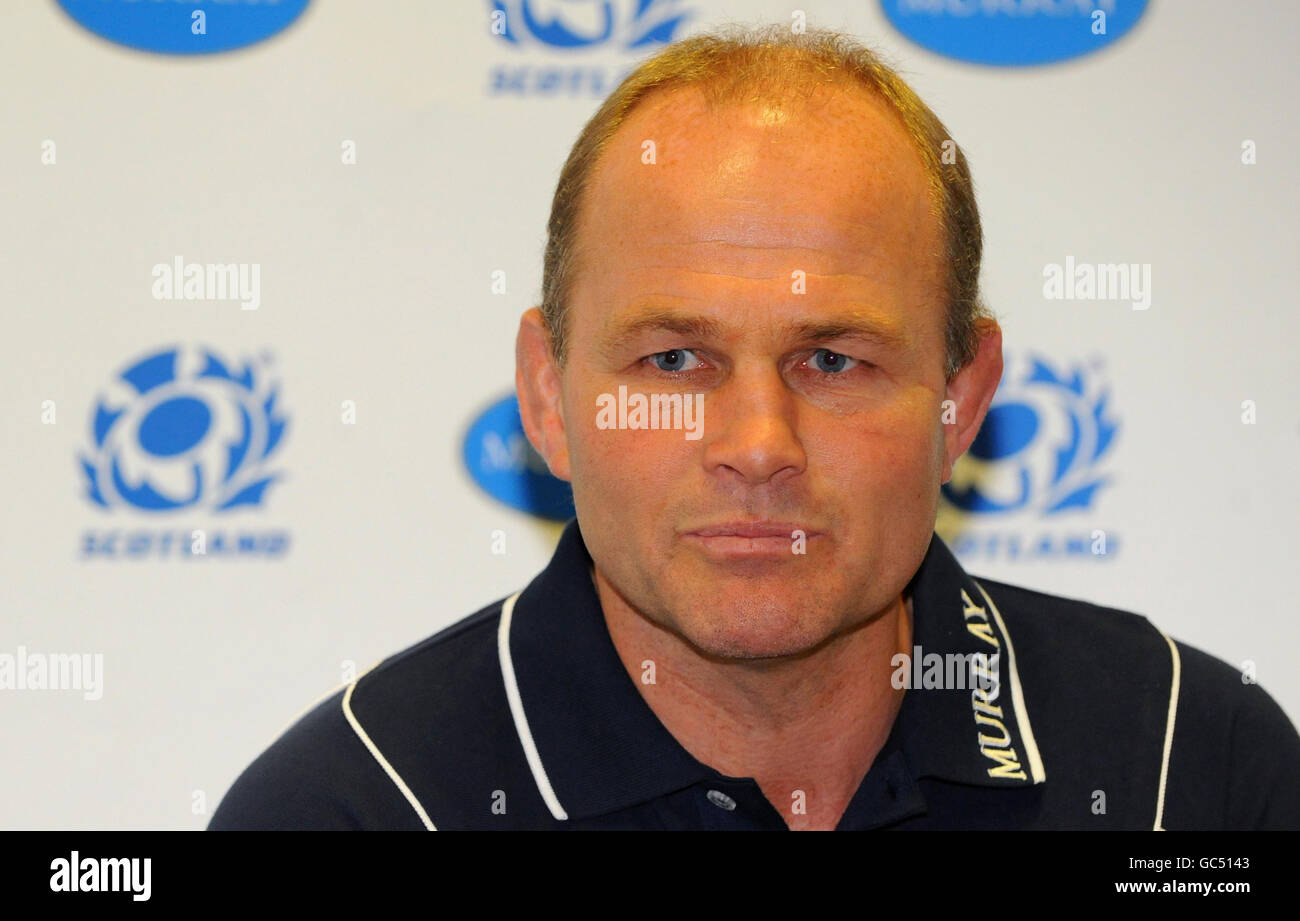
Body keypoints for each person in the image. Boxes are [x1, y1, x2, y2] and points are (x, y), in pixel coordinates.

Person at [209, 23, 1300, 830]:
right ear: (548, 396)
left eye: (833, 360)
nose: (758, 444)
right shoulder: (349, 808)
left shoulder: (1190, 771)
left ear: (959, 399)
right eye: (674, 360)